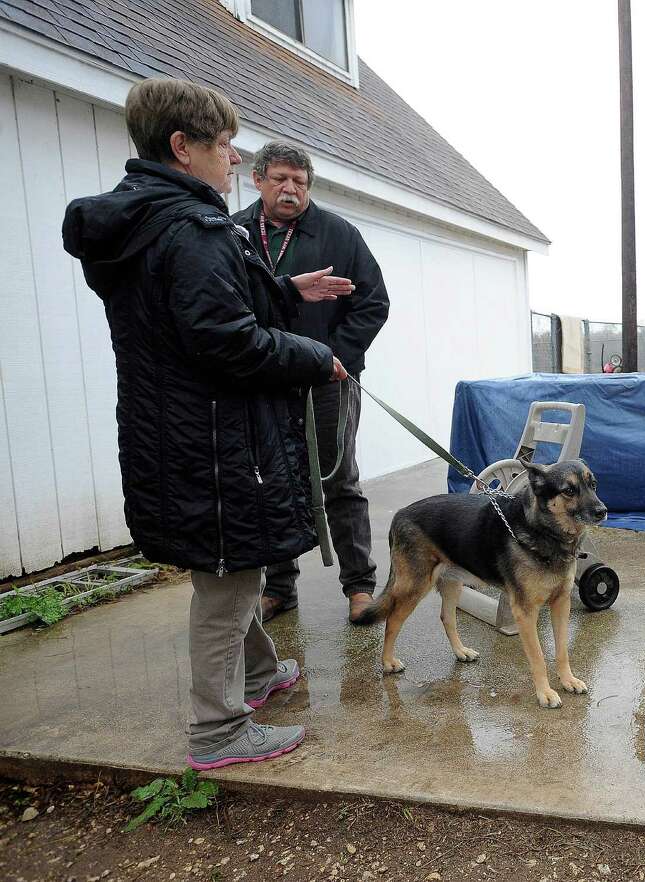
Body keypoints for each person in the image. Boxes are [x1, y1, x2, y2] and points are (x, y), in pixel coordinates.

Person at [62, 78, 352, 770]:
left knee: (234, 569)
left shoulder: (153, 221)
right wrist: (315, 354)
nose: (232, 158)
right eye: (223, 145)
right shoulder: (189, 228)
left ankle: (257, 677)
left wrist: (283, 291)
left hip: (178, 432)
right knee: (227, 583)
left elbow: (190, 310)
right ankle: (219, 730)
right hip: (214, 440)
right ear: (181, 148)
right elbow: (225, 340)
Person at [232, 141, 390, 625]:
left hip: (330, 380)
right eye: (280, 178)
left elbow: (373, 302)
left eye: (299, 182)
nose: (289, 189)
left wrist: (334, 356)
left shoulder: (339, 234)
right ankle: (280, 588)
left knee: (339, 478)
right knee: (271, 480)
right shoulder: (234, 233)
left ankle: (360, 586)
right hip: (264, 381)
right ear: (257, 180)